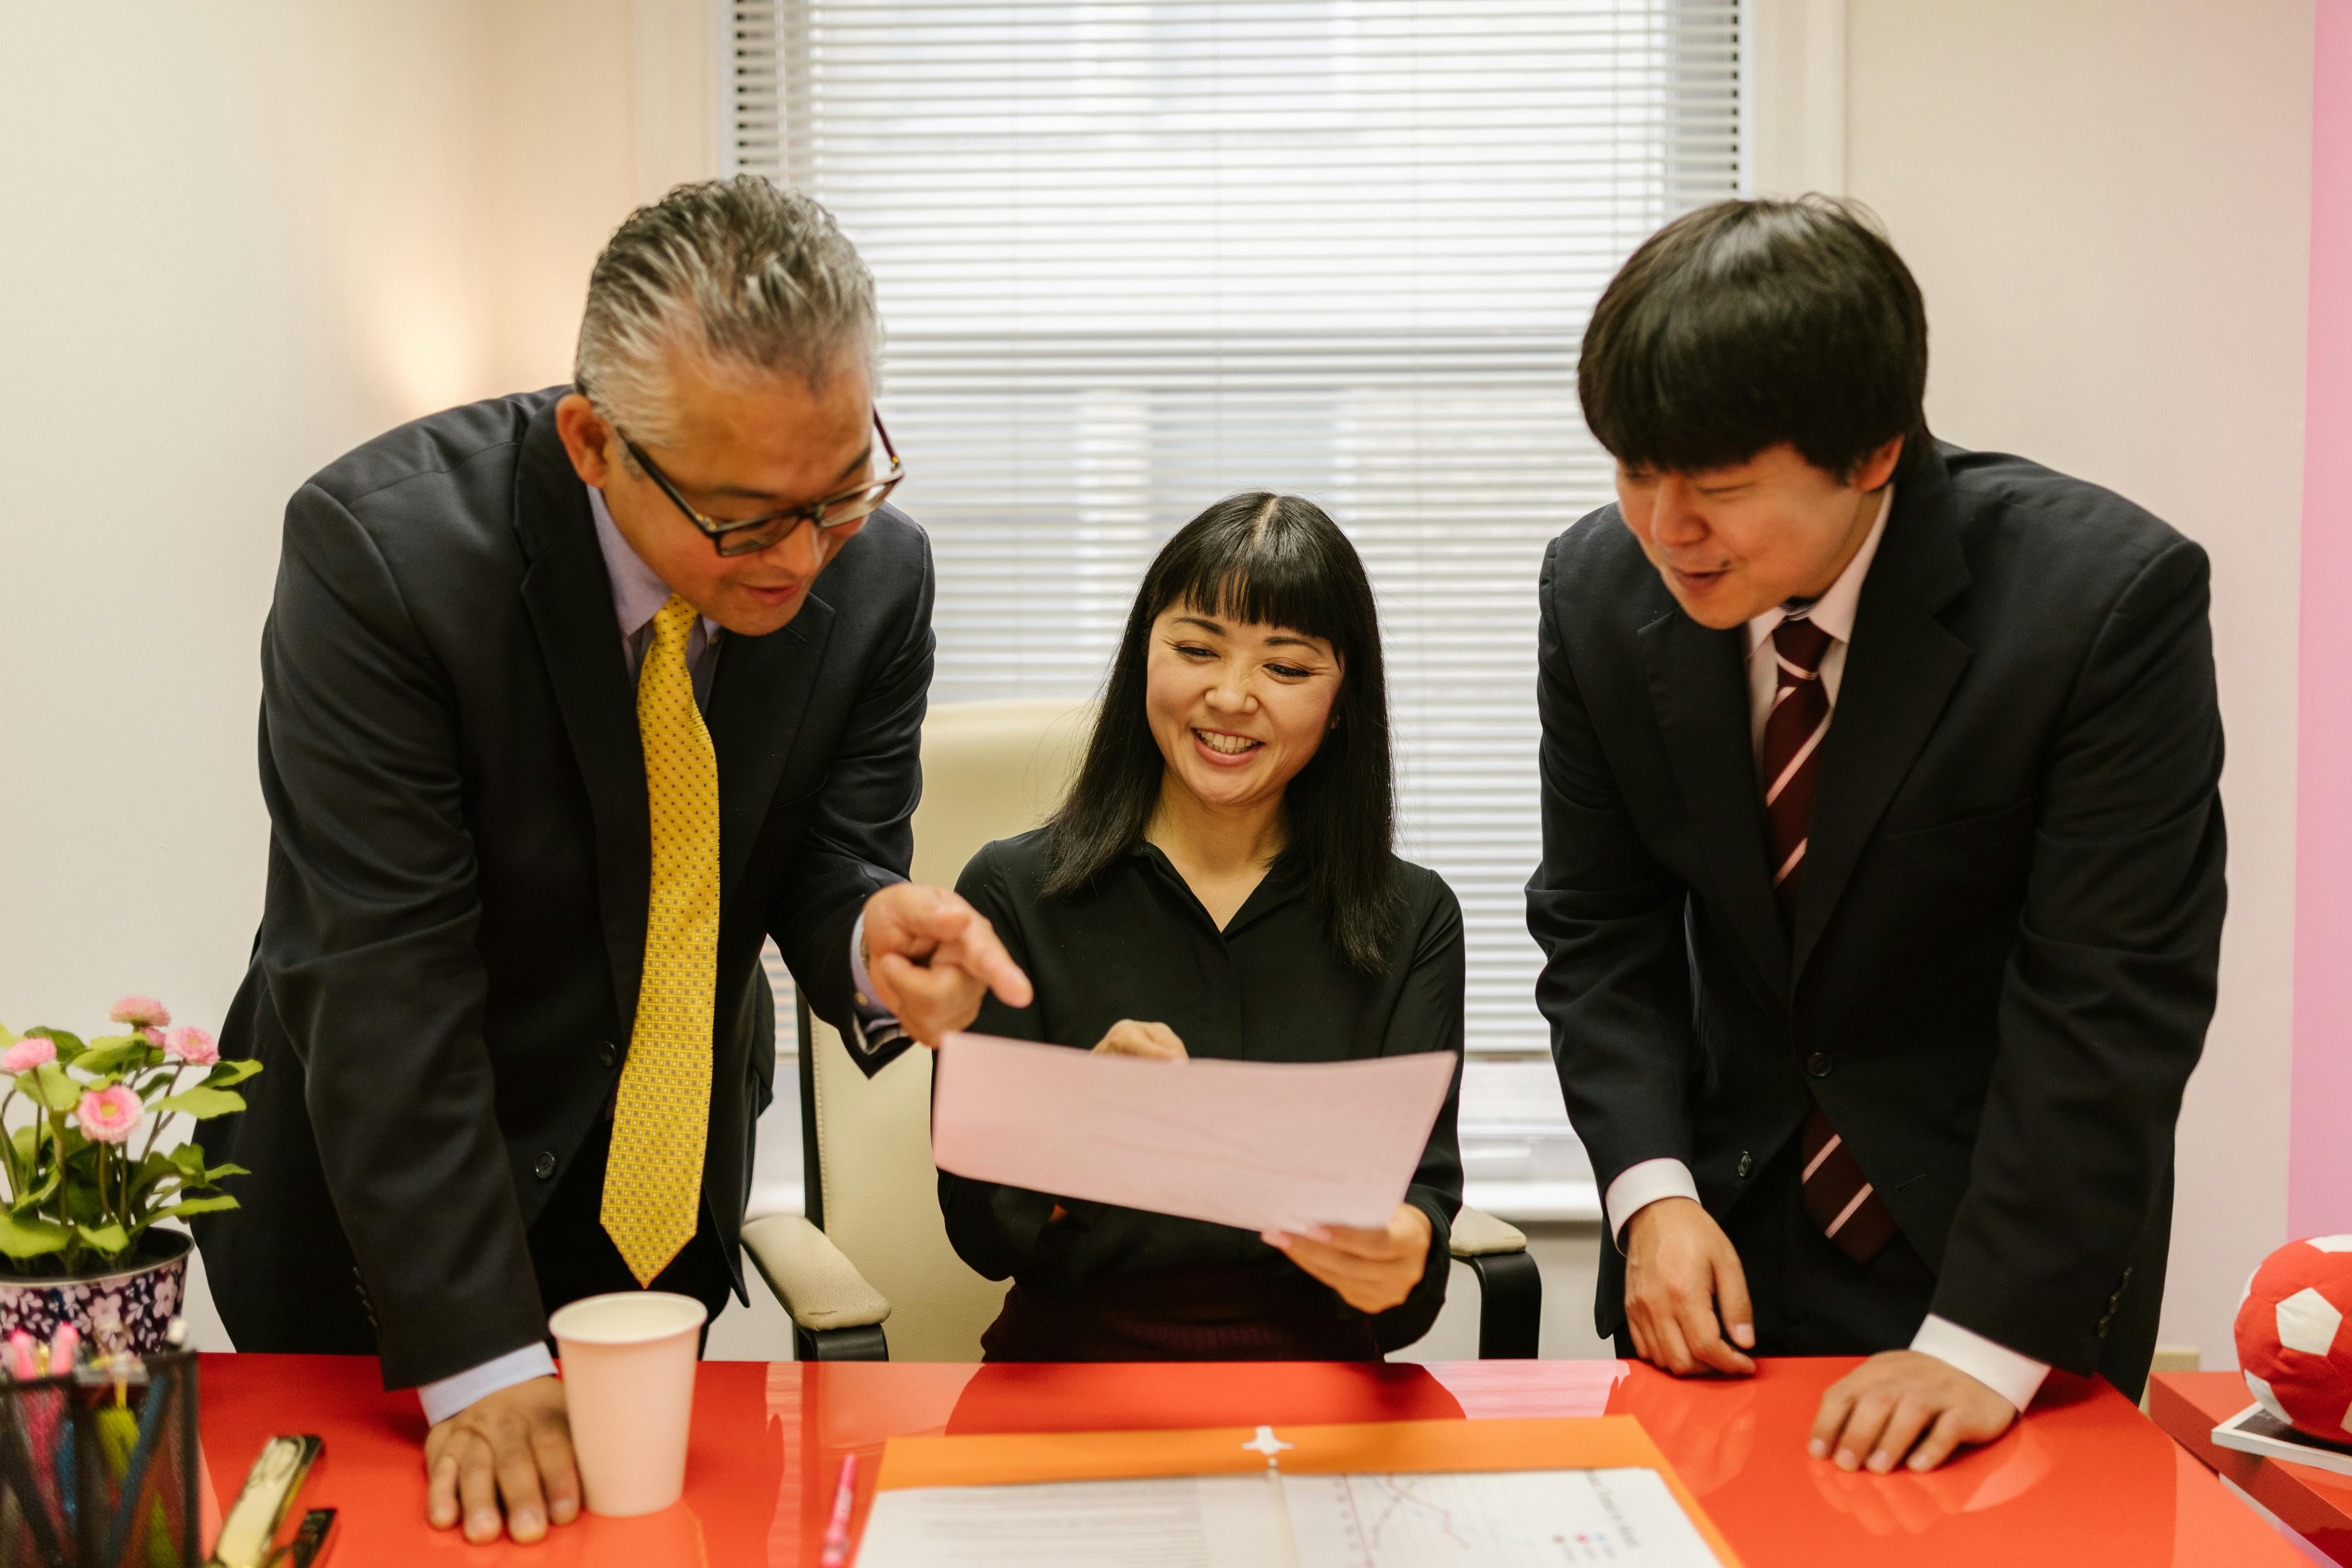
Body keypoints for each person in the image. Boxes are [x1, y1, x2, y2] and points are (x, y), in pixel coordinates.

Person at [194, 177, 1031, 1544]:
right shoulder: (385, 560)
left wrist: (871, 929)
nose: (806, 556)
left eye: (844, 488)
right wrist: (481, 1362)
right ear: (595, 441)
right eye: (750, 518)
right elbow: (381, 979)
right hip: (380, 1242)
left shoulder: (878, 576)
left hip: (645, 1224)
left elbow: (827, 859)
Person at [1528, 198, 2224, 1474]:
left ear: (1873, 453)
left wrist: (1984, 1338)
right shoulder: (1596, 595)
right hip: (1718, 1242)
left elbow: (2110, 996)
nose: (1663, 526)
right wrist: (1652, 1195)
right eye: (1633, 469)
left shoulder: (2103, 606)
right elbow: (1600, 927)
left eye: (1720, 488)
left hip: (2003, 1261)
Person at [940, 493, 1465, 1360]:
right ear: (1143, 659)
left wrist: (1405, 1253)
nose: (1230, 697)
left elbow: (1421, 1229)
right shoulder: (1011, 891)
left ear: (1342, 703)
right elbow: (980, 1230)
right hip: (1072, 1369)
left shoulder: (1413, 917)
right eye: (1195, 650)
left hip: (1319, 1380)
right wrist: (1079, 1123)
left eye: (1287, 669)